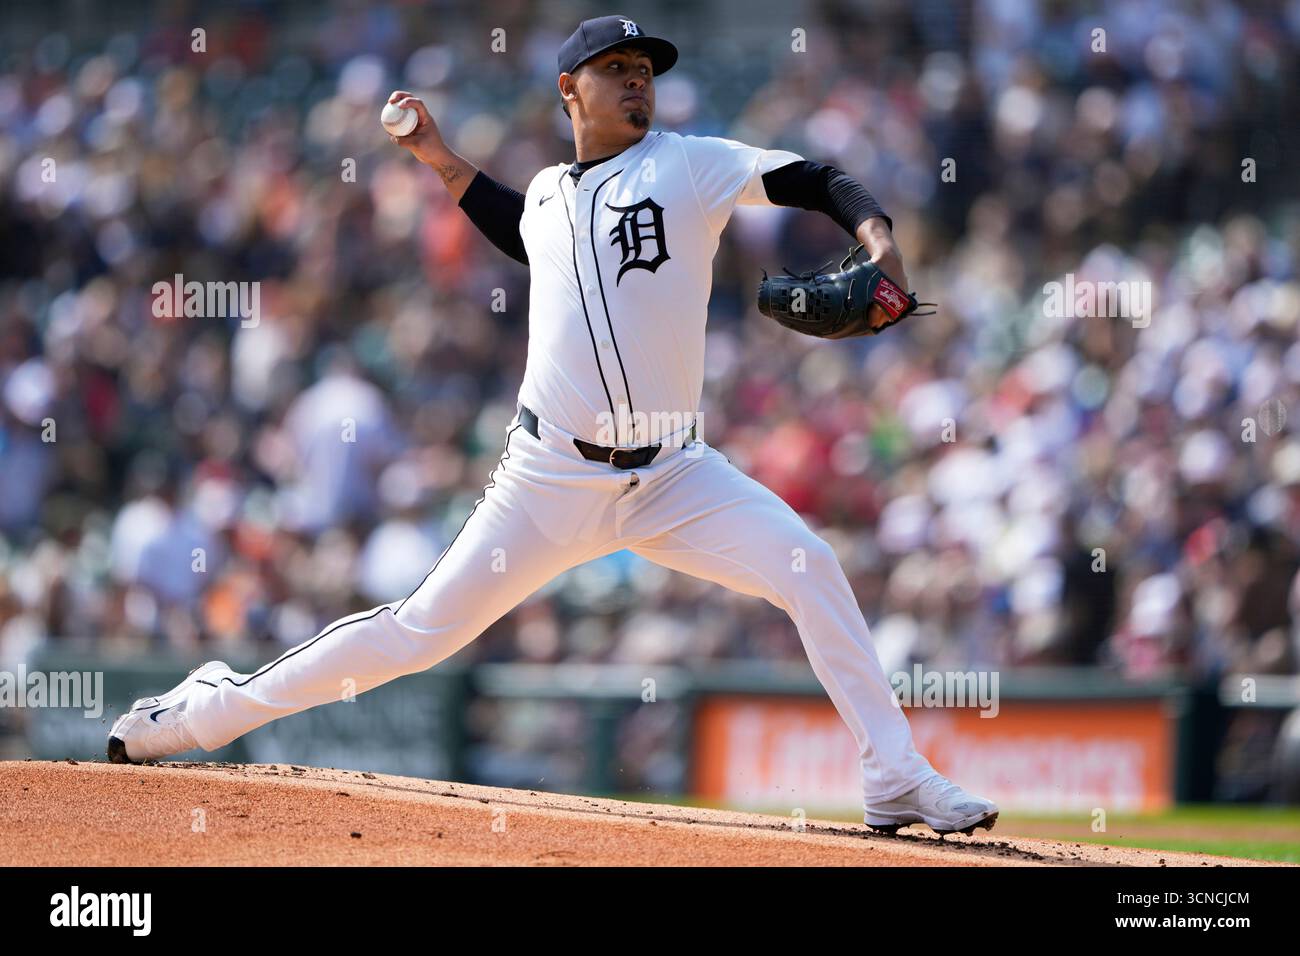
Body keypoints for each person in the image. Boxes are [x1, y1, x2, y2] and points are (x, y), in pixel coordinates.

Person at [109, 14, 998, 836]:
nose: (638, 82)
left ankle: (893, 771)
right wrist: (438, 156)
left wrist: (881, 247)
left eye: (645, 69)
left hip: (674, 475)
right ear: (569, 88)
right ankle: (204, 710)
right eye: (616, 69)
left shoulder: (689, 163)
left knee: (809, 564)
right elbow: (513, 222)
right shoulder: (543, 195)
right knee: (415, 636)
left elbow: (817, 178)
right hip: (549, 480)